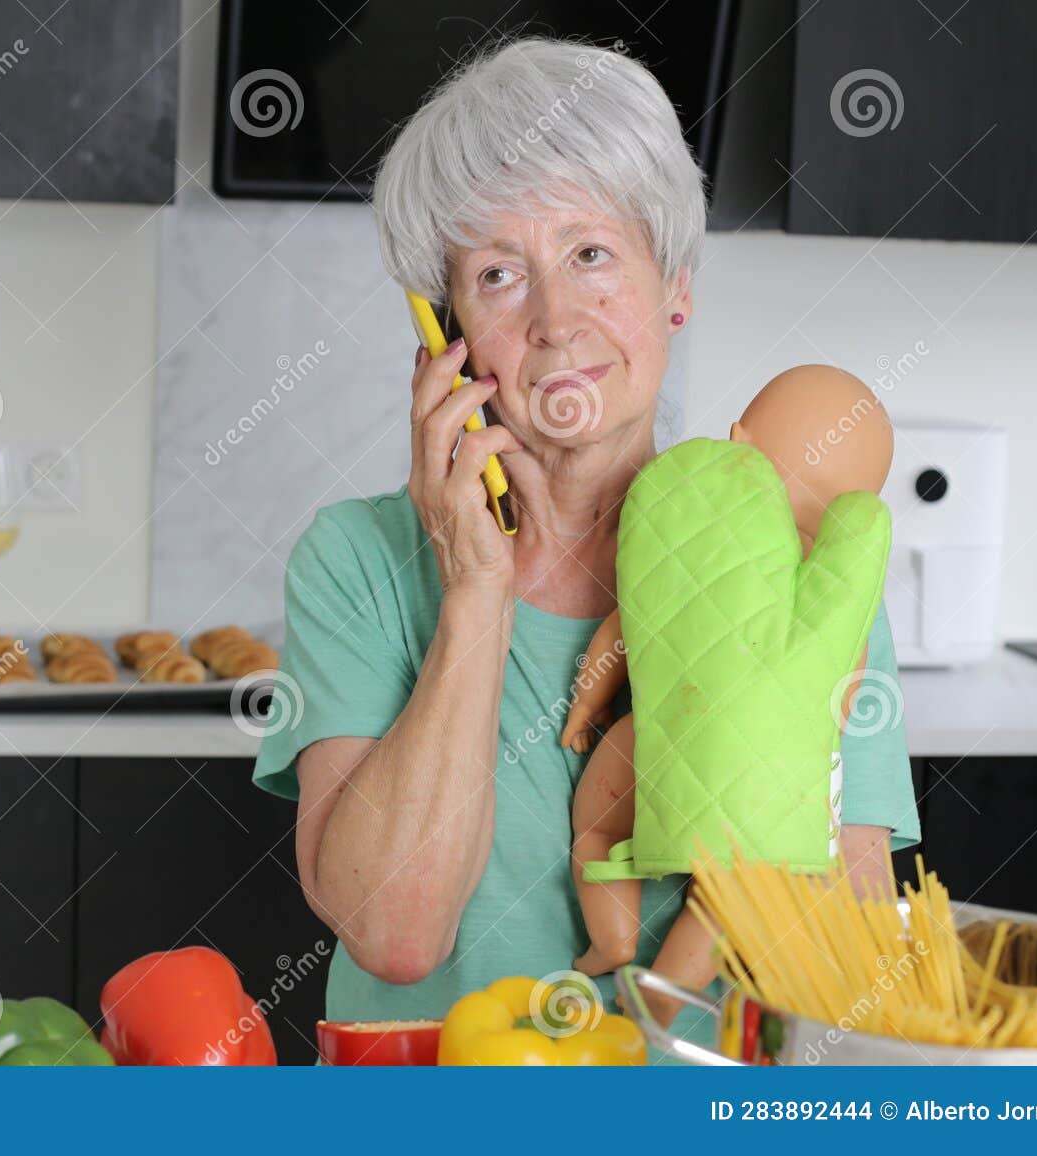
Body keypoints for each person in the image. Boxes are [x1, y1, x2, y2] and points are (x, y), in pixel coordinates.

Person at [252, 37, 919, 1055]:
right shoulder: (356, 562)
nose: (557, 321)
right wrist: (476, 589)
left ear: (674, 289)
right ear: (444, 333)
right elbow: (395, 933)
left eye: (591, 254)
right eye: (497, 275)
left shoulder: (801, 561)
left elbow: (847, 942)